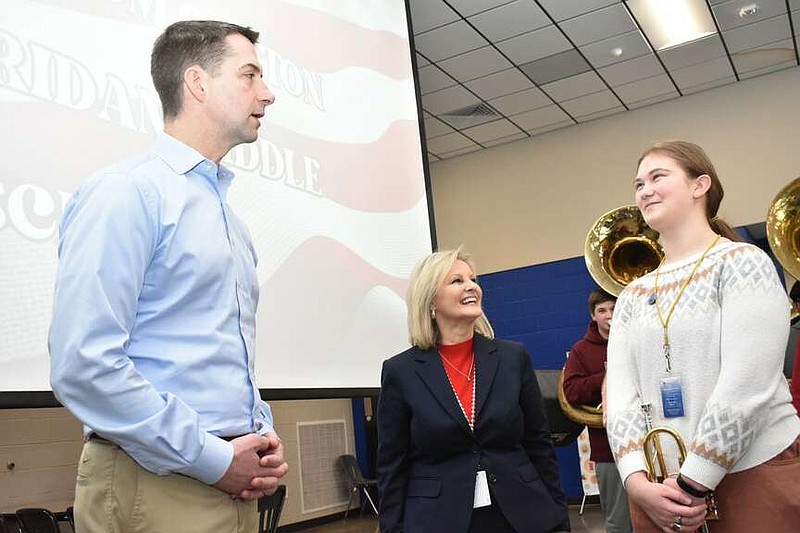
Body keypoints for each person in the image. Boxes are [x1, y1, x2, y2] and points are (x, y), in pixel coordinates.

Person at [49, 20, 288, 533]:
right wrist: (213, 457)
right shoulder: (126, 193)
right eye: (250, 75)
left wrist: (258, 432)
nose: (267, 94)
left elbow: (219, 353)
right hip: (155, 486)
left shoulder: (233, 224)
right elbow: (84, 363)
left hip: (232, 483)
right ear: (198, 83)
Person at [606, 140, 800, 533]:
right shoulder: (630, 296)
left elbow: (748, 385)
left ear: (700, 185)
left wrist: (694, 481)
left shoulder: (743, 263)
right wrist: (635, 480)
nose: (645, 190)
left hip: (751, 471)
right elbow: (621, 397)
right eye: (638, 184)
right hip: (657, 489)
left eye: (658, 177)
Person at [376, 248, 570, 533]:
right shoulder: (401, 371)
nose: (471, 286)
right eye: (456, 281)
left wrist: (558, 515)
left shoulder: (513, 357)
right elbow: (392, 464)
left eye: (473, 279)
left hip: (522, 513)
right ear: (431, 301)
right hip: (437, 519)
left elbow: (539, 443)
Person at [563, 289, 632, 533]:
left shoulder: (635, 338)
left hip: (646, 443)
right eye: (602, 311)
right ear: (593, 316)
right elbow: (571, 391)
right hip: (608, 448)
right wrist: (606, 377)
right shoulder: (582, 350)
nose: (608, 315)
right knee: (619, 522)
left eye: (613, 309)